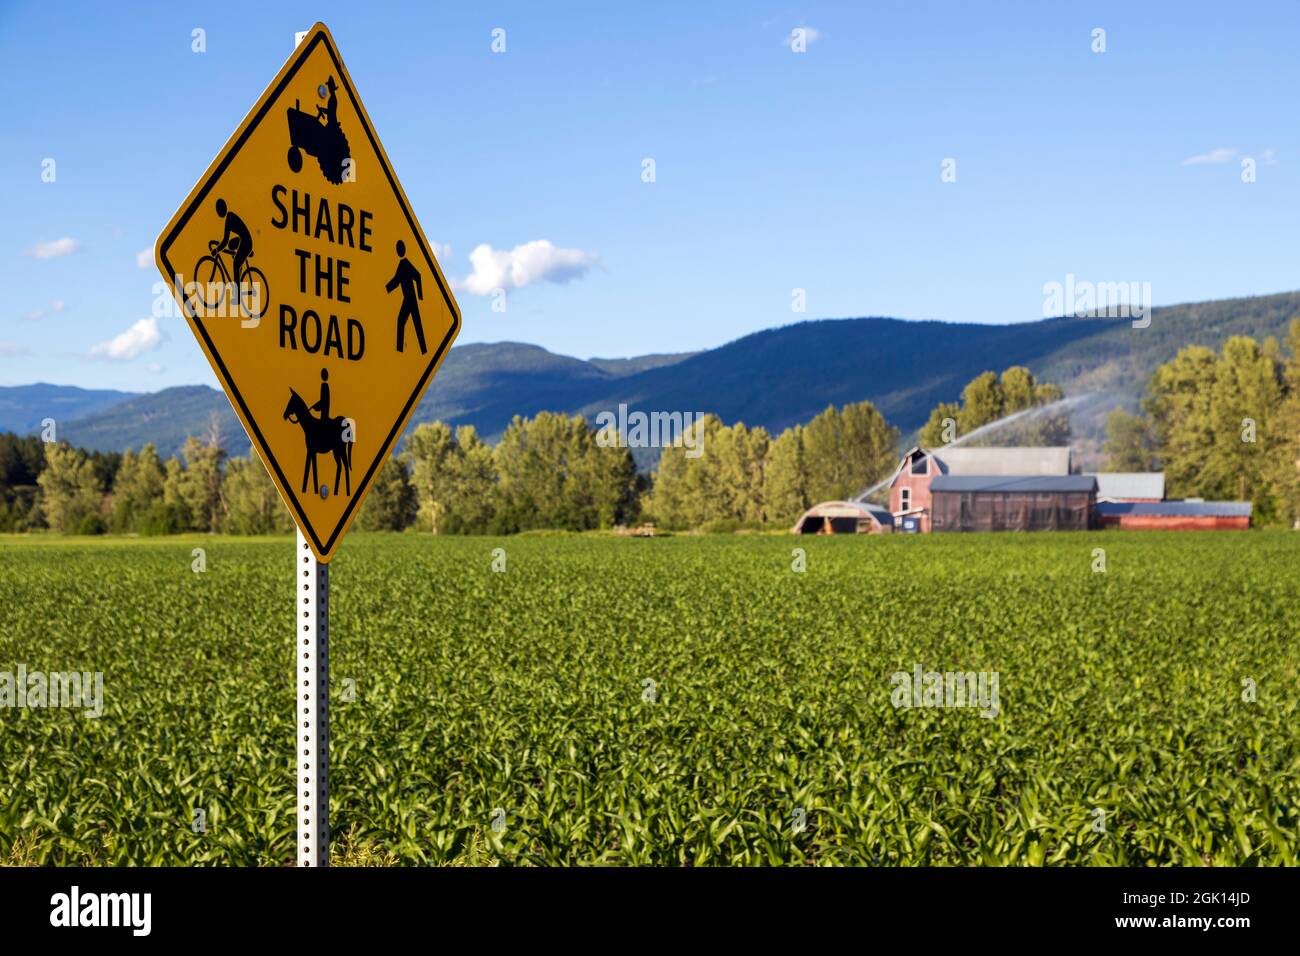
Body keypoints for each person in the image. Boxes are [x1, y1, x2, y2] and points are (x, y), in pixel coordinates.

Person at [384, 240, 427, 354]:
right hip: (408, 298)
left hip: (410, 298)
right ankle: (402, 349)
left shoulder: (404, 264)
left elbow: (417, 276)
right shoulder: (403, 264)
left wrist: (420, 295)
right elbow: (397, 280)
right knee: (405, 322)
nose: (398, 251)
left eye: (399, 248)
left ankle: (405, 349)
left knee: (413, 323)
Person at [214, 198, 252, 286]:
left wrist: (216, 250)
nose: (219, 212)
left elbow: (224, 241)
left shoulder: (229, 218)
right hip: (242, 239)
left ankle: (237, 294)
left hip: (246, 241)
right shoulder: (229, 217)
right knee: (231, 245)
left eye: (219, 210)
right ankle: (241, 259)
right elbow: (227, 241)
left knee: (235, 264)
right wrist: (218, 248)